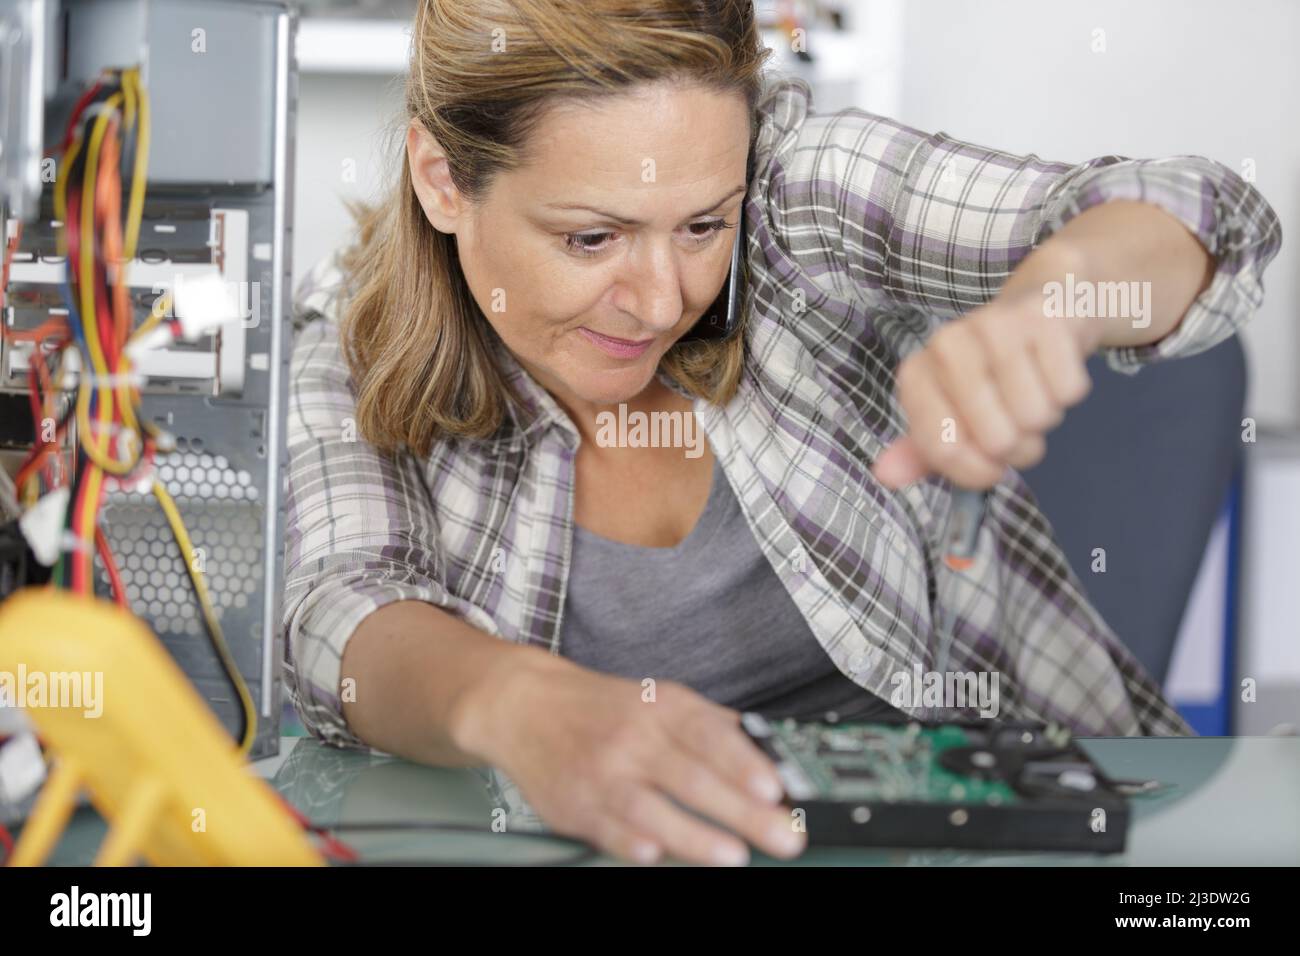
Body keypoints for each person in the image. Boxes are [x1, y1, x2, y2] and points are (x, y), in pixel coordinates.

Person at [283, 0, 1282, 865]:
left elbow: (1197, 210)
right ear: (442, 179)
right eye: (591, 237)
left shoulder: (796, 194)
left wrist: (1050, 306)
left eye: (702, 226)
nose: (660, 298)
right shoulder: (345, 341)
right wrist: (517, 703)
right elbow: (344, 612)